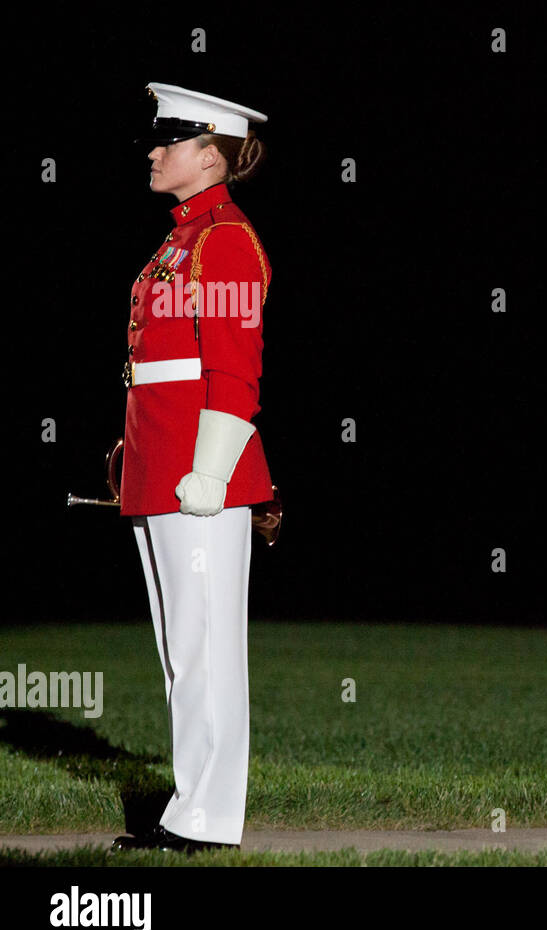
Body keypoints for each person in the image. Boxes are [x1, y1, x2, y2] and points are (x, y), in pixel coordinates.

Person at [109, 82, 274, 853]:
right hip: (163, 468)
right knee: (183, 653)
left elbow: (236, 373)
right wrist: (131, 450)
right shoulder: (182, 238)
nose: (153, 150)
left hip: (198, 480)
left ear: (210, 156)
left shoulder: (226, 239)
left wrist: (209, 474)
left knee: (205, 648)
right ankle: (190, 808)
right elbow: (158, 367)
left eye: (168, 141)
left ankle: (206, 818)